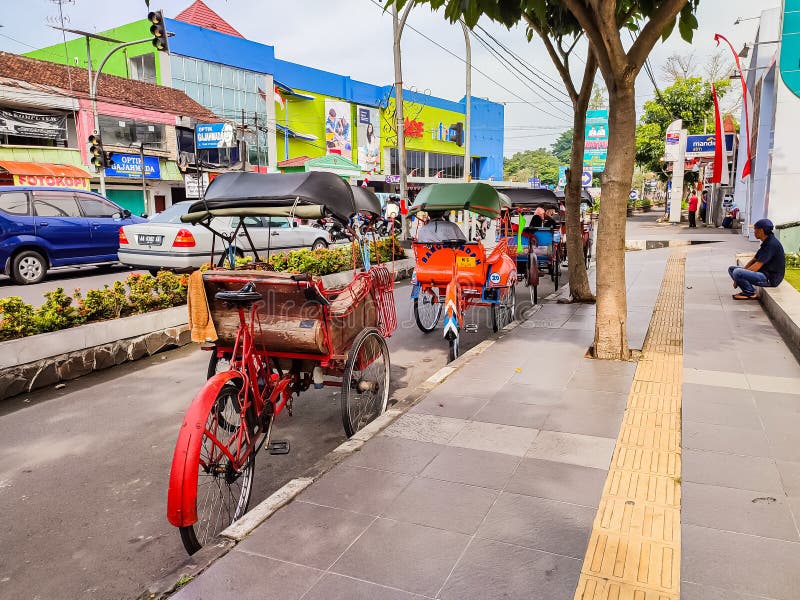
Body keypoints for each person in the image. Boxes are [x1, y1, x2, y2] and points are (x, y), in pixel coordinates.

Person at [728, 219, 785, 300]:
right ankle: (748, 290)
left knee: (737, 272)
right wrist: (741, 273)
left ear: (761, 230)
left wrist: (738, 277)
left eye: (755, 229)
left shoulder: (771, 244)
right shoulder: (766, 241)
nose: (754, 232)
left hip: (769, 278)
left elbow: (757, 266)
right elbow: (753, 260)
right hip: (762, 273)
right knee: (732, 269)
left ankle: (750, 293)